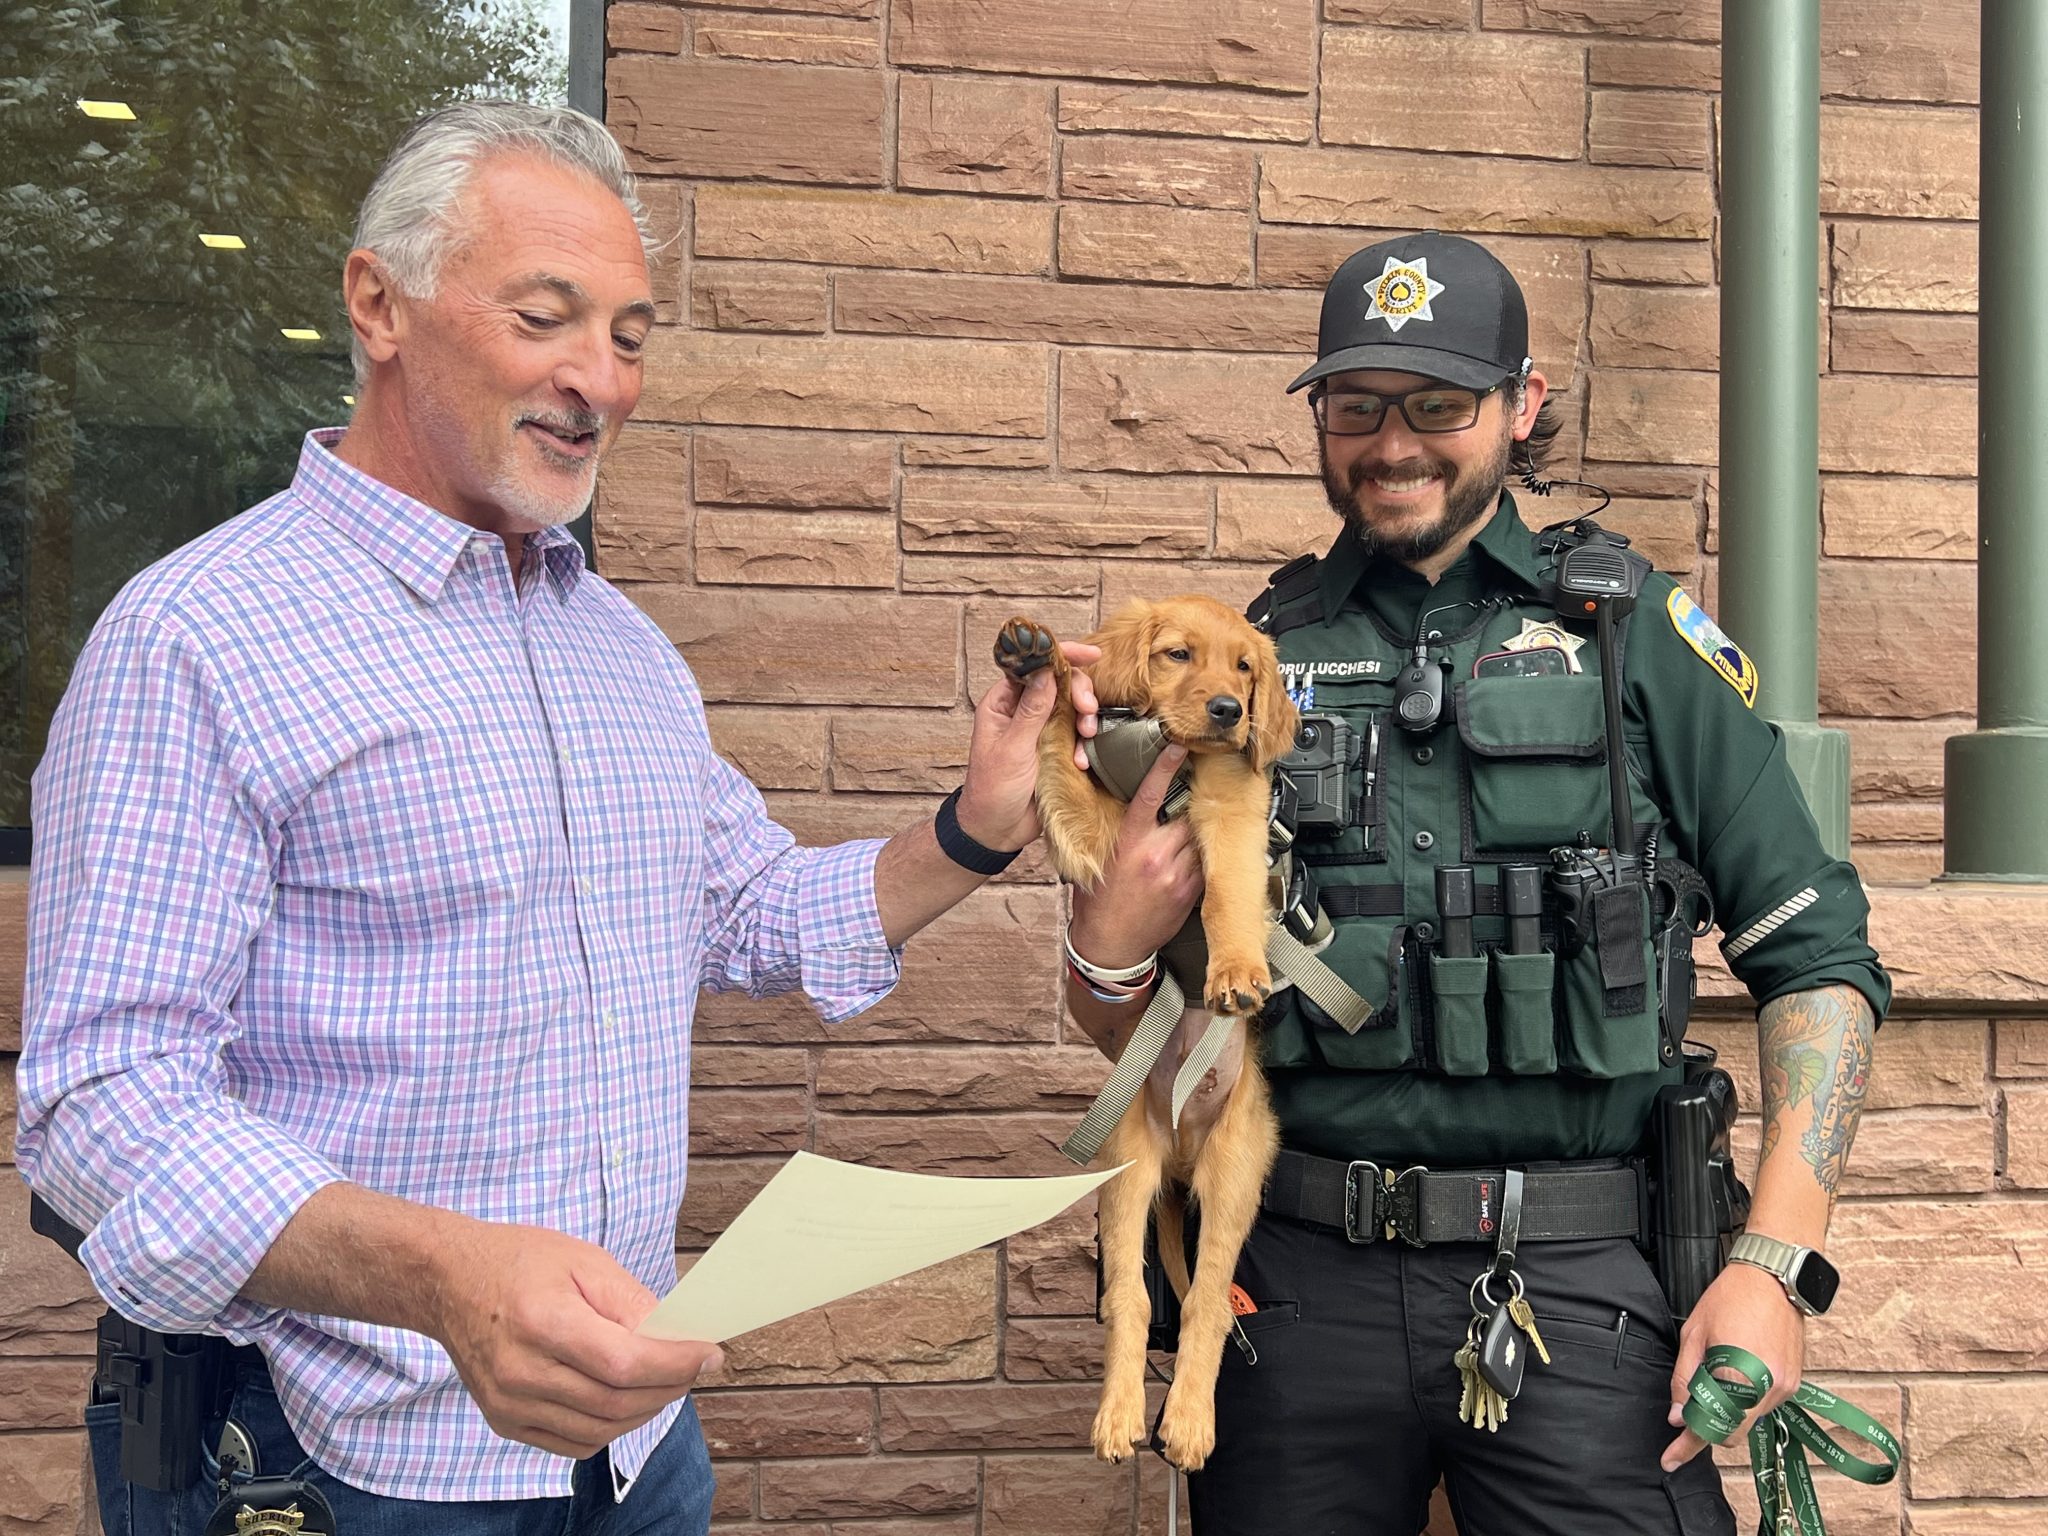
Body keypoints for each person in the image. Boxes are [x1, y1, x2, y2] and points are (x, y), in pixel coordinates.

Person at [16, 101, 1096, 1536]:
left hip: (634, 1455)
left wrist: (974, 824)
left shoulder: (621, 651)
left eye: (632, 337)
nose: (600, 380)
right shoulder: (199, 637)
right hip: (331, 1463)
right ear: (377, 304)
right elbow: (101, 1107)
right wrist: (443, 1280)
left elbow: (741, 909)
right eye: (546, 318)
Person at [1062, 232, 1888, 1535]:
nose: (1393, 444)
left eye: (1438, 405)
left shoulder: (1635, 638)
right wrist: (1102, 951)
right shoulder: (1248, 658)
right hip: (1293, 1286)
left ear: (1522, 404)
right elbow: (1151, 1032)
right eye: (1356, 407)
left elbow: (1818, 957)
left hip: (1577, 1288)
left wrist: (1773, 1266)